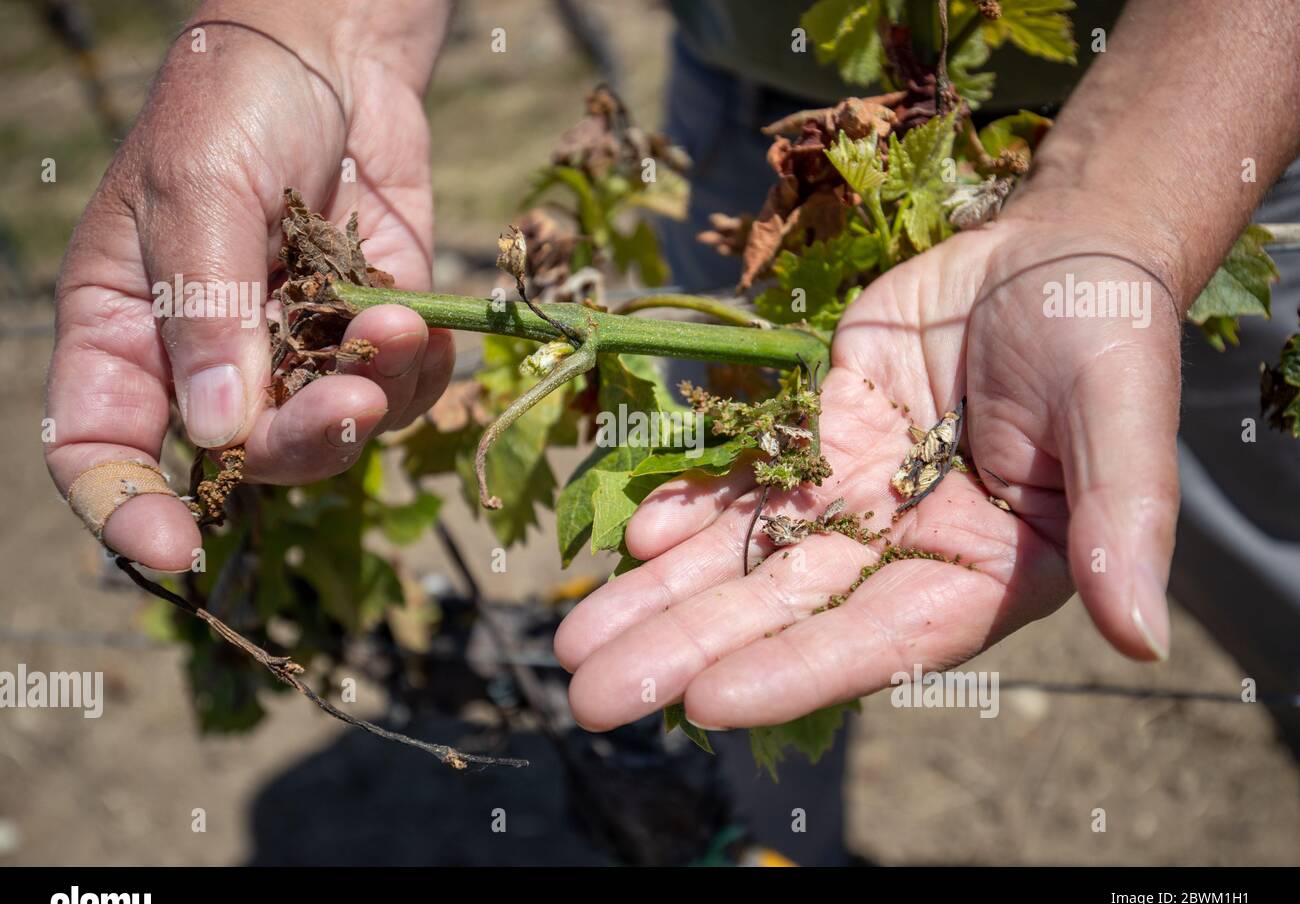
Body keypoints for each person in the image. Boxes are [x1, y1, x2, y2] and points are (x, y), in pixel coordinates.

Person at [45, 1, 1300, 750]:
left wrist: (1125, 201)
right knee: (747, 611)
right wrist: (311, 33)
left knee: (1273, 553)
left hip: (1226, 116)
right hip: (752, 87)